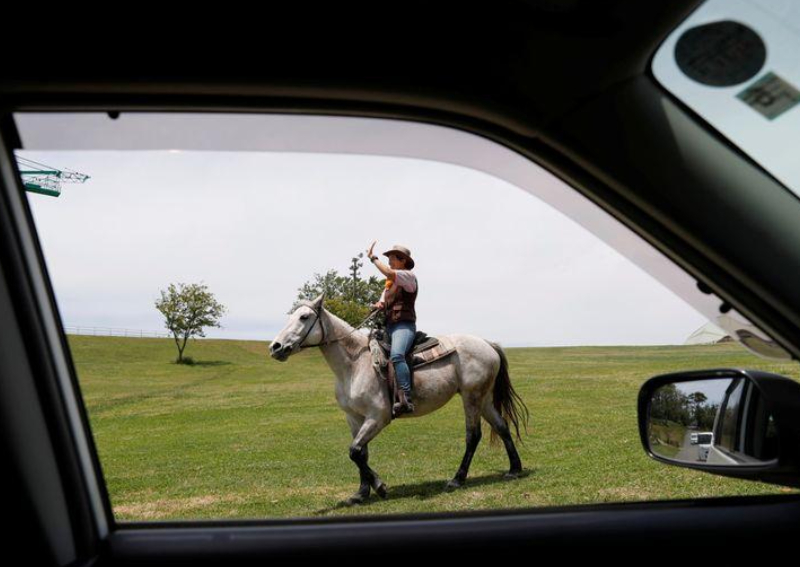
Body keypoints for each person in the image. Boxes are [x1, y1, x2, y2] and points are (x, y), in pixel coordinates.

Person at [366, 241, 418, 415]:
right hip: (389, 325)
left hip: (403, 325)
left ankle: (405, 398)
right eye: (387, 258)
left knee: (396, 355)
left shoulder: (408, 276)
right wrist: (378, 306)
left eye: (392, 257)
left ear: (403, 260)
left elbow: (388, 272)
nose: (389, 261)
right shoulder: (388, 286)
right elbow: (383, 302)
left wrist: (373, 258)